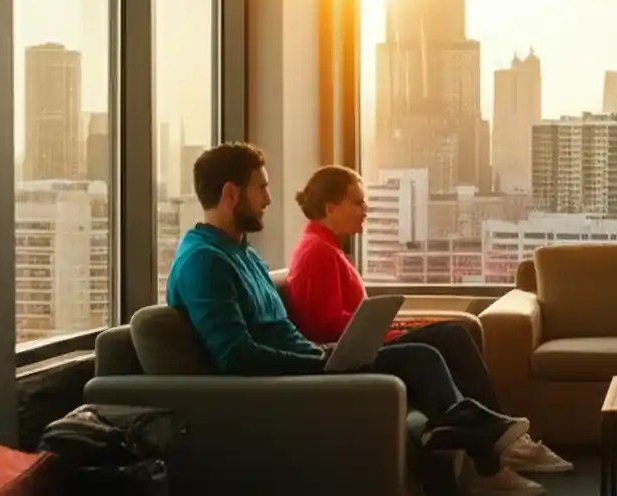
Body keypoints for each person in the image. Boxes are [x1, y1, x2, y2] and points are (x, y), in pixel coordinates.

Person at [166, 143, 542, 494]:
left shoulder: (242, 255)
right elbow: (236, 356)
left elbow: (281, 331)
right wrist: (320, 359)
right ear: (231, 193)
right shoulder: (205, 261)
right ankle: (482, 432)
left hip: (308, 359)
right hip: (291, 378)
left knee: (429, 351)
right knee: (421, 356)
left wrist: (326, 352)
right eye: (260, 188)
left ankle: (469, 430)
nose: (268, 199)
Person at [284, 165, 573, 476]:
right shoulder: (318, 252)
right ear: (331, 207)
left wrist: (394, 326)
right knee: (450, 337)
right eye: (358, 202)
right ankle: (503, 445)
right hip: (347, 354)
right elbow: (324, 325)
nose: (365, 210)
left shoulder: (327, 248)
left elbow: (342, 318)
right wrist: (386, 329)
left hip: (362, 344)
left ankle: (496, 441)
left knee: (458, 331)